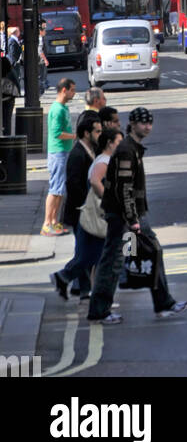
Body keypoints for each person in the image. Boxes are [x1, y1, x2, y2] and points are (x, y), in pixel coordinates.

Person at [87, 106, 187, 325]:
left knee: (151, 252)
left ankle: (163, 302)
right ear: (132, 124)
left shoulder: (132, 148)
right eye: (143, 122)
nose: (148, 126)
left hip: (131, 215)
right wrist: (132, 219)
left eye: (150, 122)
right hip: (124, 217)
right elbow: (124, 188)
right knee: (113, 261)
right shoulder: (126, 150)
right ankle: (99, 310)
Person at [52, 125, 123, 302]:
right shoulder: (89, 157)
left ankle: (77, 285)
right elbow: (83, 183)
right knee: (96, 255)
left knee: (89, 254)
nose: (99, 135)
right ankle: (78, 285)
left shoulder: (95, 155)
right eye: (97, 131)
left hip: (90, 213)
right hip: (88, 214)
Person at [53, 113, 104, 298]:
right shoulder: (77, 154)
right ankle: (65, 277)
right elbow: (73, 185)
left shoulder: (90, 151)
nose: (100, 135)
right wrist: (88, 205)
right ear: (86, 133)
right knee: (90, 253)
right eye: (97, 132)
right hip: (81, 212)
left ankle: (81, 289)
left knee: (85, 252)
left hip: (87, 211)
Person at [42, 78, 76, 236]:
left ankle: (54, 222)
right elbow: (56, 133)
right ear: (64, 90)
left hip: (63, 152)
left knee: (60, 190)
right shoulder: (58, 110)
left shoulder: (63, 108)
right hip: (58, 153)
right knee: (55, 189)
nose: (74, 93)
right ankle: (47, 223)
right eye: (72, 90)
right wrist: (74, 136)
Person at [1, 54, 20, 137]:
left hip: (5, 96)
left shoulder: (3, 61)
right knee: (7, 121)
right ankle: (6, 139)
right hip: (10, 96)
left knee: (5, 121)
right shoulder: (5, 61)